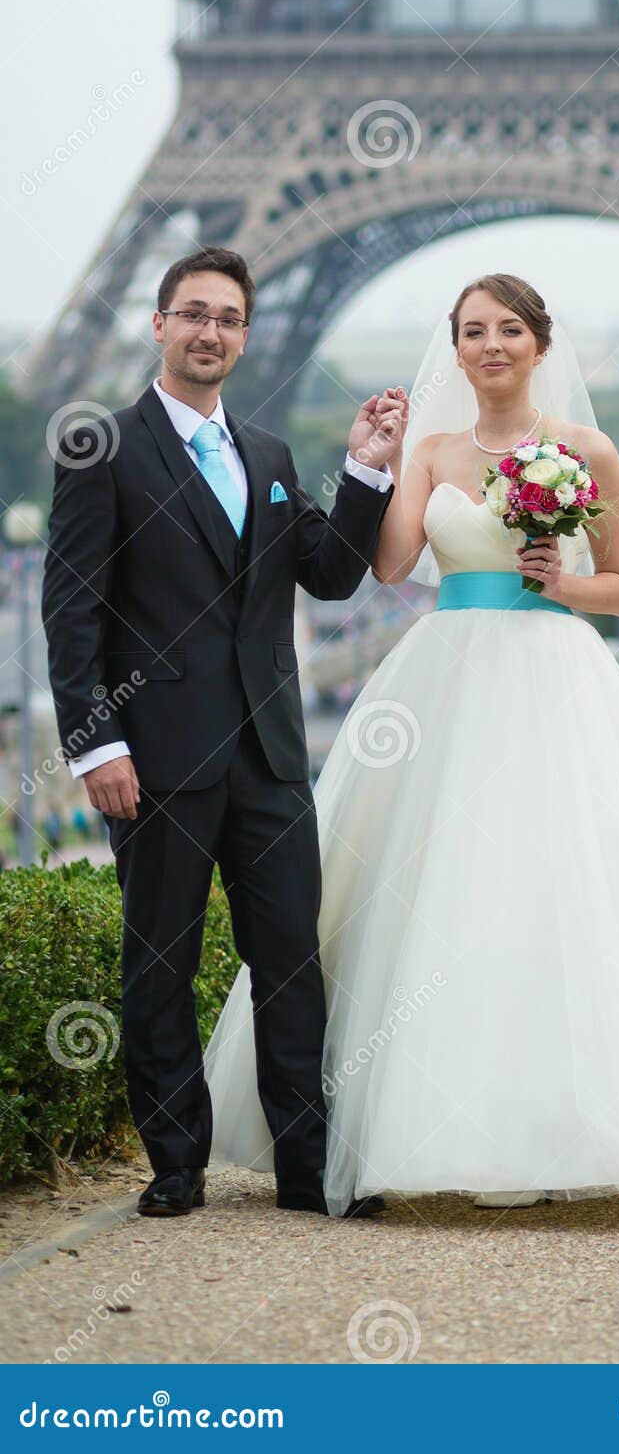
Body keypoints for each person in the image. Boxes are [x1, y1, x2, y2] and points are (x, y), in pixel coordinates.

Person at [204, 274, 619, 1212]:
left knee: (549, 893)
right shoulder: (431, 452)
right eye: (473, 331)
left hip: (550, 671)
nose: (491, 345)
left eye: (508, 329)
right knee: (434, 890)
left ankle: (550, 1129)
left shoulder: (586, 450)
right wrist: (376, 459)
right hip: (445, 672)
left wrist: (557, 583)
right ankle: (415, 1124)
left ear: (539, 344)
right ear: (454, 348)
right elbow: (391, 566)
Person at [42, 246, 406, 1220]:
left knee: (290, 958)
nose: (211, 331)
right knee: (158, 957)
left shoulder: (272, 456)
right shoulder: (103, 451)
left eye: (229, 318)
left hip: (270, 755)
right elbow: (72, 610)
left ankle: (306, 1169)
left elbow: (328, 574)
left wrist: (367, 471)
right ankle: (176, 1164)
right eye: (194, 312)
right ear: (159, 324)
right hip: (153, 753)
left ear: (246, 336)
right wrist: (96, 744)